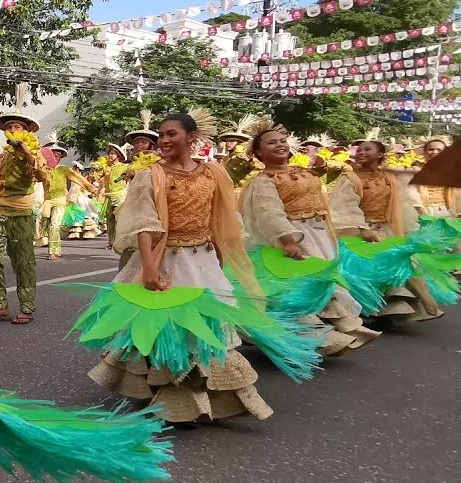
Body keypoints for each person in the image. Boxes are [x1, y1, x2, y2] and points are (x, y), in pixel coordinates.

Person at [86, 111, 277, 423]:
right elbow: (145, 225)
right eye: (161, 135)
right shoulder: (151, 175)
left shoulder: (214, 173)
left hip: (203, 259)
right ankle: (174, 400)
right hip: (167, 259)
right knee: (169, 330)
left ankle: (214, 395)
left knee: (208, 326)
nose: (163, 140)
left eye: (171, 134)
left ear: (191, 137)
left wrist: (219, 252)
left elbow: (221, 217)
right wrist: (149, 268)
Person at [239, 121, 379, 356]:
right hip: (295, 238)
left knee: (322, 280)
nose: (280, 145)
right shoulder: (262, 181)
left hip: (319, 234)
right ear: (259, 152)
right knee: (303, 285)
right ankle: (319, 337)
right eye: (271, 143)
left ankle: (343, 329)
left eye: (282, 141)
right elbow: (268, 212)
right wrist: (288, 240)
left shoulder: (302, 172)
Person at [328, 136, 443, 321]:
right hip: (359, 232)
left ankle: (410, 306)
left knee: (402, 260)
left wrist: (409, 229)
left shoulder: (390, 177)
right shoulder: (349, 178)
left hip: (387, 229)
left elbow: (402, 204)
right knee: (364, 269)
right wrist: (362, 229)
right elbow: (344, 206)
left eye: (367, 149)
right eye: (359, 151)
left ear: (380, 154)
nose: (362, 153)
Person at [0, 100, 46, 325]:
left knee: (23, 262)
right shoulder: (0, 158)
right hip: (1, 211)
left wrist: (25, 152)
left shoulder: (34, 153)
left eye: (17, 127)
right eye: (9, 127)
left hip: (22, 212)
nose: (12, 130)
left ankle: (26, 306)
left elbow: (40, 175)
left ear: (26, 131)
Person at [41, 133, 94, 260]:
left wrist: (91, 188)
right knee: (48, 227)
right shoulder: (42, 170)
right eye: (52, 155)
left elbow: (77, 178)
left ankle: (52, 251)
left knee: (54, 225)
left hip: (60, 201)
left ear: (60, 158)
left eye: (57, 155)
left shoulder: (64, 169)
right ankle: (56, 248)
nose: (55, 157)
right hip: (47, 201)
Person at [414, 137, 458, 217]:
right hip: (421, 211)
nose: (435, 152)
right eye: (431, 149)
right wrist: (421, 211)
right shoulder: (415, 171)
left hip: (446, 210)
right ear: (424, 152)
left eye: (439, 150)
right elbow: (411, 194)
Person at [101, 143, 129, 249]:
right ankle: (111, 242)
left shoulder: (124, 166)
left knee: (119, 220)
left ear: (118, 156)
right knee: (109, 220)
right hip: (109, 196)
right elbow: (97, 177)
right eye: (110, 154)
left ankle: (119, 242)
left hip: (120, 196)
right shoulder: (107, 168)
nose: (110, 156)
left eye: (113, 154)